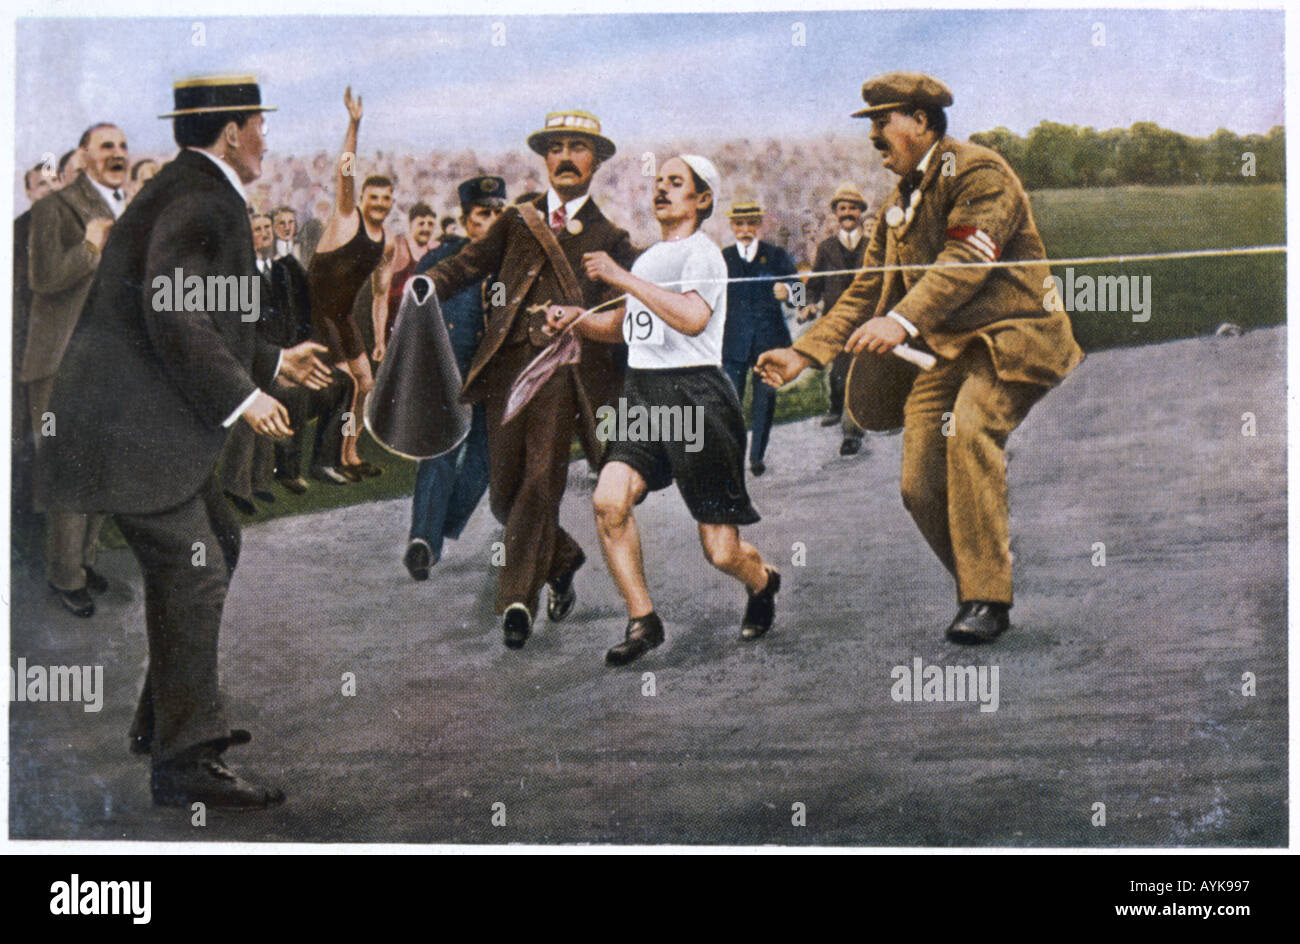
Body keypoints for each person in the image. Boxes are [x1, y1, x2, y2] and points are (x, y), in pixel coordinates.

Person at [41, 74, 333, 807]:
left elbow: (203, 305)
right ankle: (184, 763)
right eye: (258, 125)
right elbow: (175, 310)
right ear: (231, 132)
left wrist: (270, 359)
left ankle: (166, 717)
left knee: (218, 543)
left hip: (138, 426)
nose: (266, 137)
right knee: (196, 568)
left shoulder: (190, 187)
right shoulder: (201, 197)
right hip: (124, 434)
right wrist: (243, 396)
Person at [757, 71, 1084, 643]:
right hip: (942, 354)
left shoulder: (978, 171)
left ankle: (987, 598)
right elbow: (863, 290)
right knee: (918, 485)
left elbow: (965, 258)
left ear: (922, 121)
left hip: (1007, 339)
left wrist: (901, 320)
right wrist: (804, 354)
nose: (874, 137)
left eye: (883, 122)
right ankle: (978, 587)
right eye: (872, 125)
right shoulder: (897, 199)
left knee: (972, 432)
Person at [547, 155, 780, 665]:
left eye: (676, 183)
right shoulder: (649, 260)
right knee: (609, 501)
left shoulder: (704, 256)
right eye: (658, 183)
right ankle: (643, 619)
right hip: (643, 395)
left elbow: (694, 318)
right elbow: (624, 328)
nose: (662, 190)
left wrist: (620, 278)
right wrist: (577, 320)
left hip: (697, 398)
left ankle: (761, 582)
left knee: (721, 551)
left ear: (701, 200)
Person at [423, 109, 636, 649]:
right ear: (545, 158)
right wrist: (425, 284)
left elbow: (641, 294)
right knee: (503, 495)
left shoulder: (611, 236)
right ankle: (562, 561)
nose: (565, 157)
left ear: (597, 161)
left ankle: (518, 599)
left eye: (579, 147)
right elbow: (467, 264)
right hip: (507, 369)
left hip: (564, 374)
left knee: (541, 479)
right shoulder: (517, 221)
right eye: (556, 147)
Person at [22, 122, 130, 617]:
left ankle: (84, 564)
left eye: (123, 146)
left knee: (102, 469)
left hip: (108, 361)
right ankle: (65, 577)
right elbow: (44, 280)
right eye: (106, 145)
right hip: (62, 362)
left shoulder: (122, 207)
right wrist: (89, 244)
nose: (118, 153)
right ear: (83, 155)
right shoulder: (53, 208)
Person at [401, 177, 506, 580]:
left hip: (497, 376)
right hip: (450, 370)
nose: (493, 220)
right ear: (465, 219)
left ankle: (441, 526)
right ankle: (423, 541)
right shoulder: (443, 259)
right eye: (484, 213)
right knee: (439, 450)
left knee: (483, 459)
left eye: (499, 212)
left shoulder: (515, 261)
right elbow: (416, 314)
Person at [305, 86, 391, 482]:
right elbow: (345, 169)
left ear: (391, 202)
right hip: (314, 309)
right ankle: (332, 460)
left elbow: (379, 295)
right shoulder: (345, 216)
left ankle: (350, 455)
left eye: (384, 199)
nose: (378, 204)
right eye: (373, 197)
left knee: (367, 383)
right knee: (348, 386)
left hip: (342, 317)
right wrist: (354, 123)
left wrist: (379, 340)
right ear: (364, 199)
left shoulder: (384, 243)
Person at [720, 201, 800, 476]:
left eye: (751, 223)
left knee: (765, 402)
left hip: (770, 342)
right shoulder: (723, 258)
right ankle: (731, 457)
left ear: (759, 225)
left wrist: (789, 293)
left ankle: (756, 457)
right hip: (734, 344)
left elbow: (801, 294)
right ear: (732, 226)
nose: (745, 230)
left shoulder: (775, 256)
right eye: (739, 224)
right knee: (730, 404)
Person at [801, 181, 870, 454]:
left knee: (859, 372)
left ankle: (852, 433)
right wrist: (805, 305)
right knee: (840, 372)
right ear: (836, 214)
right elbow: (812, 285)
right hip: (835, 319)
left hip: (865, 319)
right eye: (843, 208)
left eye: (853, 208)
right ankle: (836, 406)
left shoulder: (872, 246)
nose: (848, 213)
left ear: (860, 212)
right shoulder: (826, 248)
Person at [371, 200, 437, 361]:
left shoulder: (435, 249)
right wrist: (379, 341)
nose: (426, 228)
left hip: (422, 326)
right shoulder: (398, 248)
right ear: (410, 224)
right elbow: (380, 296)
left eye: (430, 224)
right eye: (421, 224)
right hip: (395, 325)